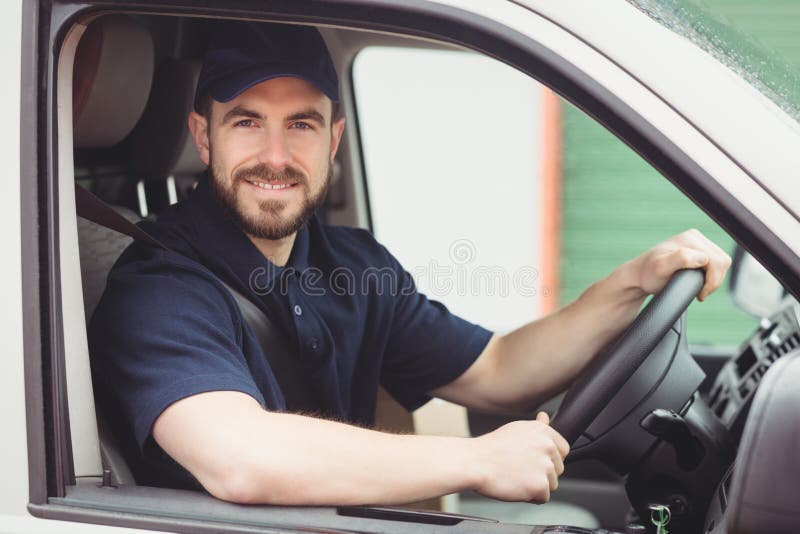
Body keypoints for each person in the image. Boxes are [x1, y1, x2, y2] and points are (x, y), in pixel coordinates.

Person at [89, 20, 731, 507]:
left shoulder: (352, 262)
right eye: (248, 123)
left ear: (334, 139)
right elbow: (241, 458)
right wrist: (476, 460)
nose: (276, 155)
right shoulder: (158, 286)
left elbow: (497, 370)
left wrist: (628, 285)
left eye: (303, 125)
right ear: (205, 136)